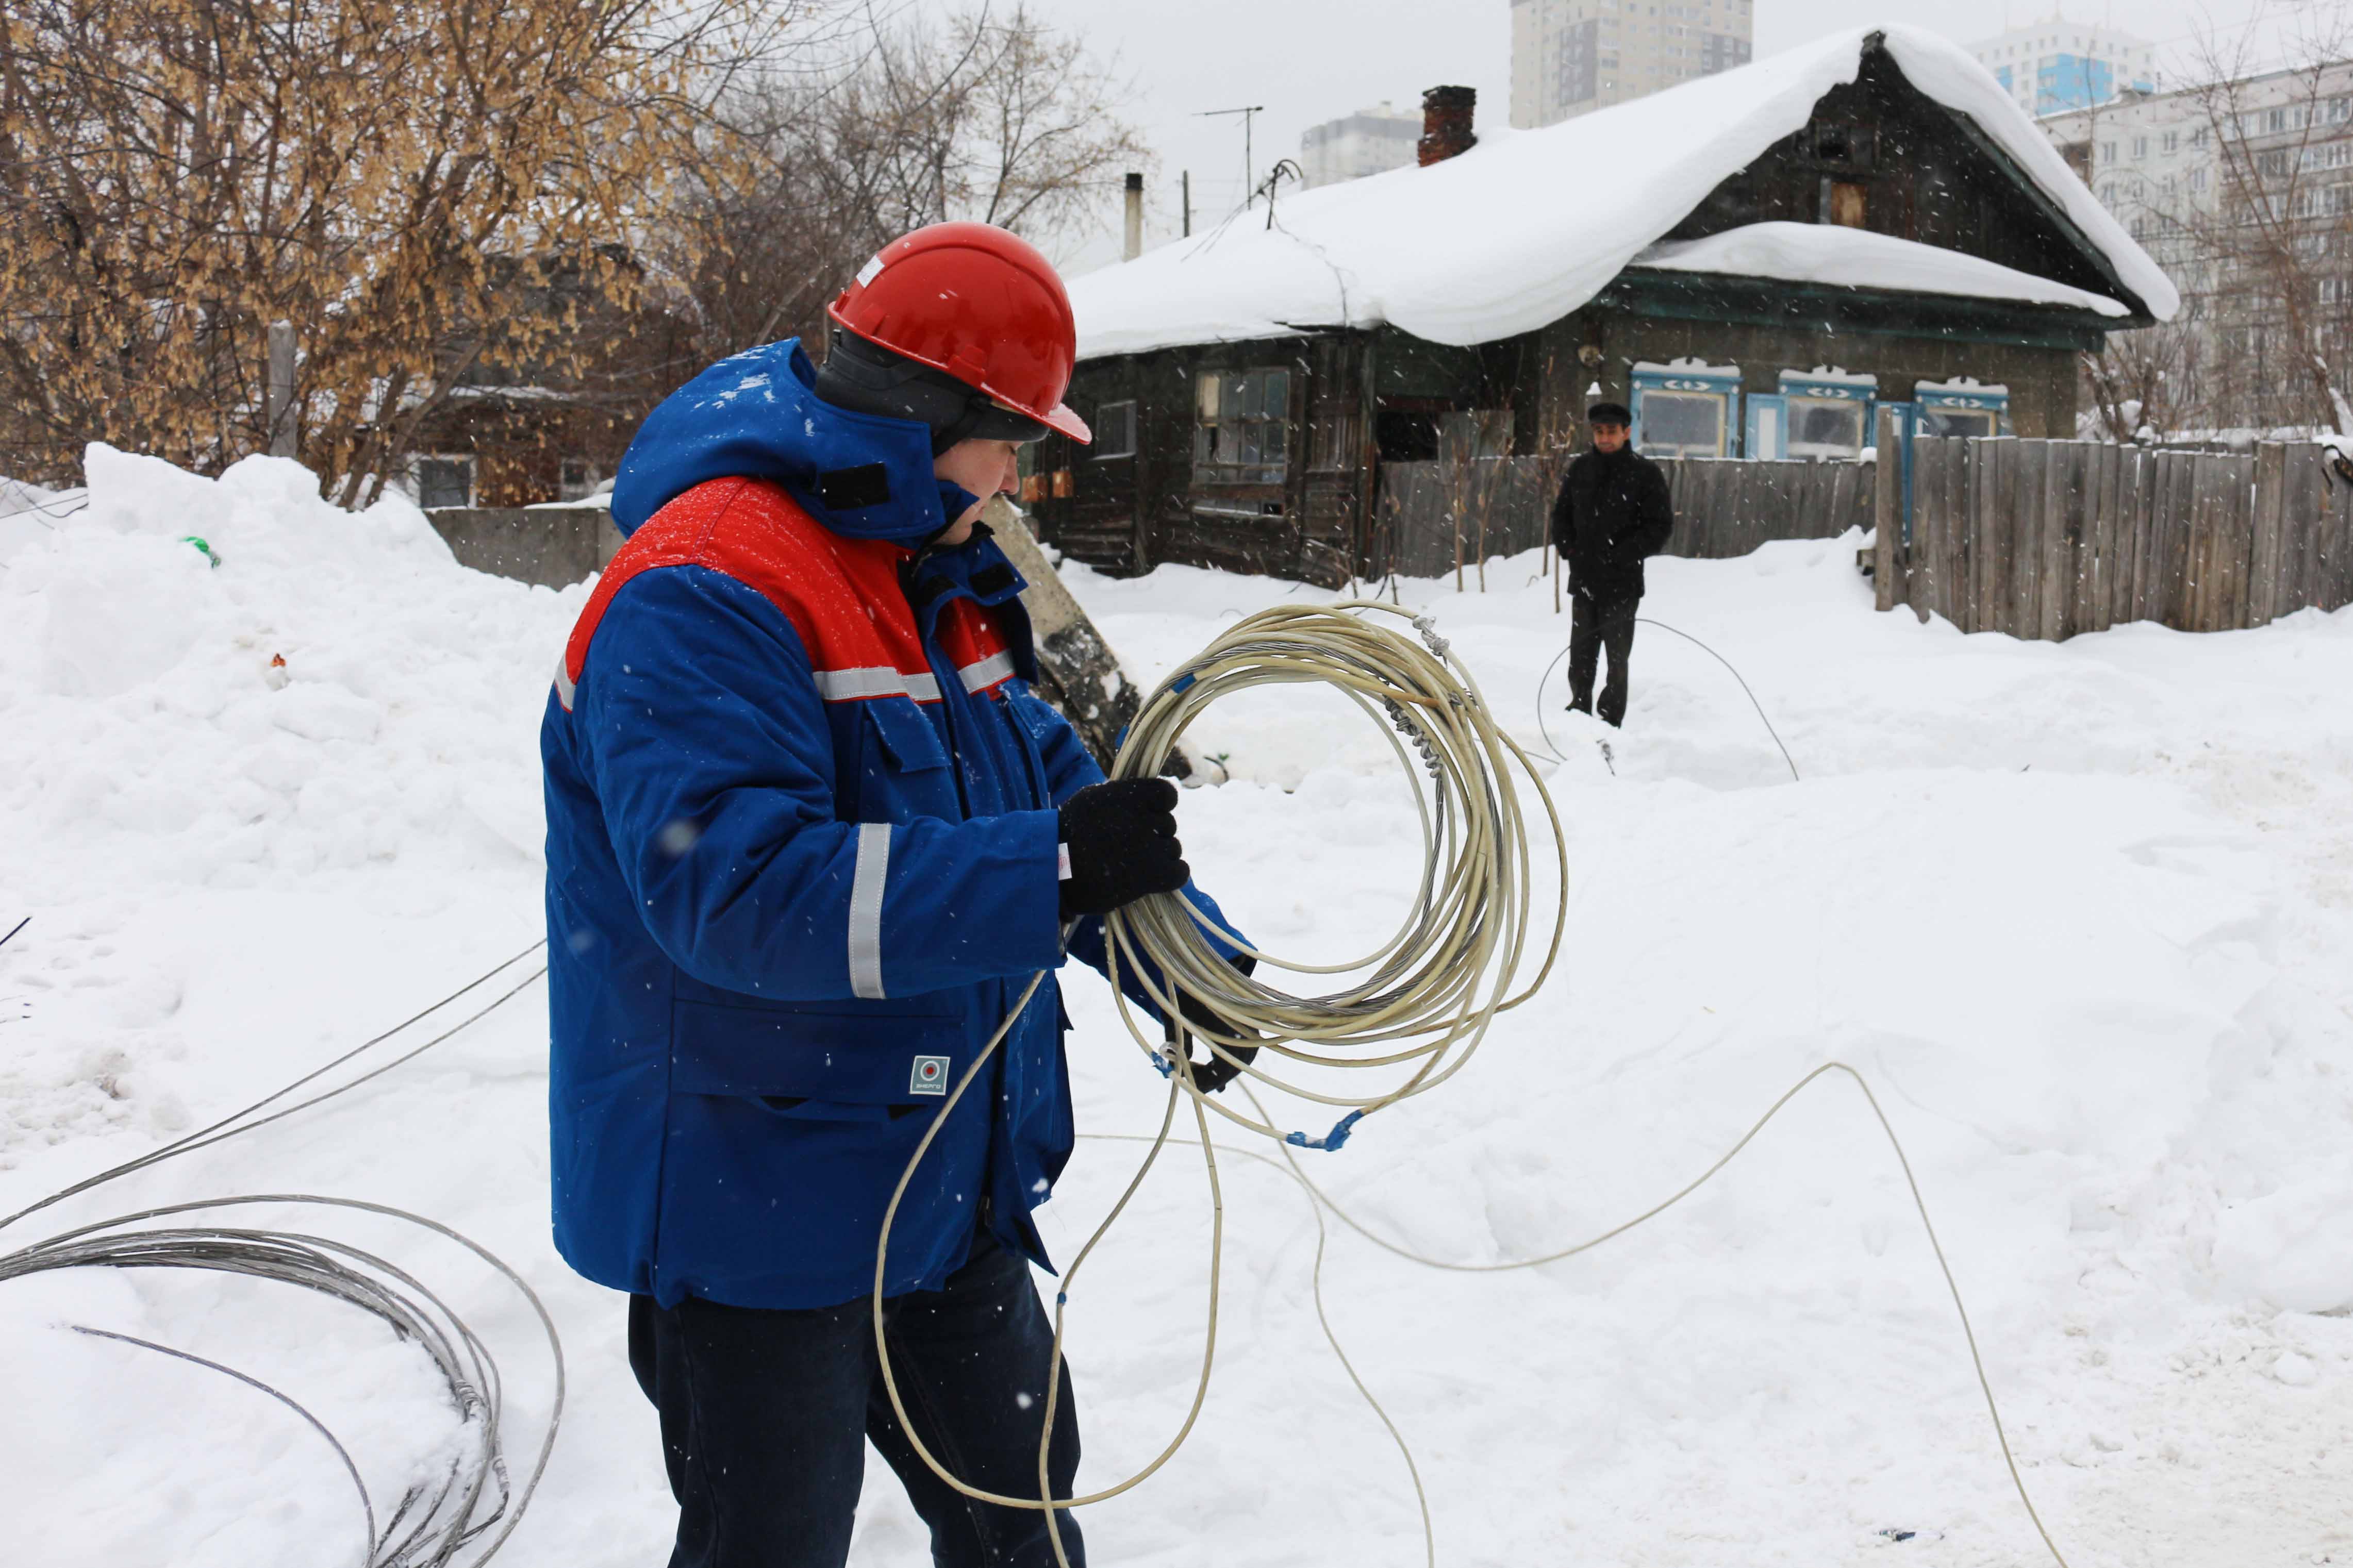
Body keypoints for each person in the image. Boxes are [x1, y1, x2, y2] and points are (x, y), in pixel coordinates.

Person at [539, 221, 1253, 1568]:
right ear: (921, 415)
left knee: (1019, 1505)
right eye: (1012, 440)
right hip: (754, 1195)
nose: (1023, 473)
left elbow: (1044, 797)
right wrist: (1050, 870)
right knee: (773, 1538)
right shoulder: (706, 587)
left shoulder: (929, 564)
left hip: (940, 1172)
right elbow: (738, 893)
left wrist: (1174, 953)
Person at [1548, 402, 1675, 728]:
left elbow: (1658, 526)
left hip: (1623, 583)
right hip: (1585, 580)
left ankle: (1609, 720)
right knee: (1581, 656)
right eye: (1599, 431)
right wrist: (1571, 551)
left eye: (1612, 432)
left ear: (1626, 433)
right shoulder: (1581, 470)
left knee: (1617, 660)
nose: (1605, 438)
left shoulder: (1644, 474)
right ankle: (1578, 713)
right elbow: (1561, 517)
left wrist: (1623, 555)